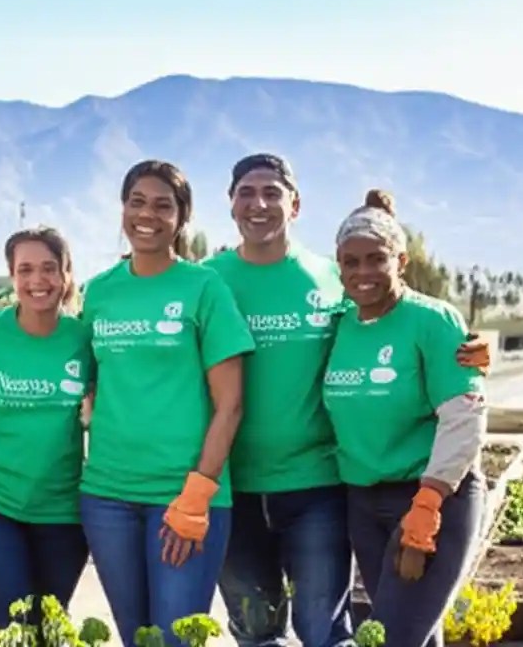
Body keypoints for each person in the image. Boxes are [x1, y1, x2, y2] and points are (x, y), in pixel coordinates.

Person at [204, 155, 491, 647]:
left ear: (295, 204)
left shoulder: (326, 278)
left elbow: (392, 301)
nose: (259, 203)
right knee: (260, 628)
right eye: (246, 192)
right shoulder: (206, 281)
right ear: (229, 203)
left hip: (324, 487)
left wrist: (454, 342)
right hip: (248, 488)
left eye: (272, 191)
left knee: (342, 633)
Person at [79, 159, 255, 646]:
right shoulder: (99, 292)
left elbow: (231, 404)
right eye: (137, 202)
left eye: (163, 205)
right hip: (107, 496)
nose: (147, 215)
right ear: (122, 210)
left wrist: (196, 495)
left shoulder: (203, 289)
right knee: (137, 638)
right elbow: (89, 382)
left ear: (182, 217)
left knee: (174, 640)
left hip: (184, 498)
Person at [323, 190, 487, 647]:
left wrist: (428, 503)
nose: (362, 273)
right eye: (350, 262)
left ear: (402, 260)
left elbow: (464, 415)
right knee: (412, 634)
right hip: (364, 502)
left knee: (390, 637)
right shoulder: (341, 324)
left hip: (433, 497)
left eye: (376, 259)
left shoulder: (432, 321)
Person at [0, 226, 93, 629]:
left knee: (49, 627)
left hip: (63, 512)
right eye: (25, 269)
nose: (37, 281)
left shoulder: (85, 340)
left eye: (49, 268)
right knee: (8, 625)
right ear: (11, 275)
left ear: (66, 274)